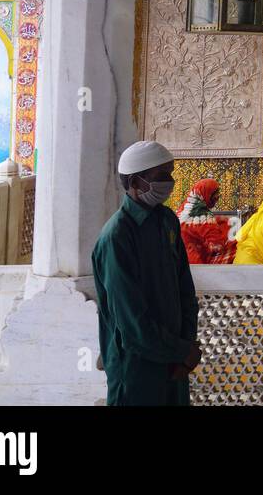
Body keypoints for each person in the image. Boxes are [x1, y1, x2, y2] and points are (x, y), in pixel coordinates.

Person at [92, 140, 201, 406]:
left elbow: (185, 290)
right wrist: (180, 351)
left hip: (174, 363)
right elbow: (131, 322)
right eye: (161, 176)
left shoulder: (167, 221)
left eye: (170, 174)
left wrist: (185, 346)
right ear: (135, 182)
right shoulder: (117, 237)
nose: (169, 182)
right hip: (136, 368)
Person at [177, 178, 237, 265]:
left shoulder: (183, 209)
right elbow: (217, 246)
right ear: (206, 193)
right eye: (215, 194)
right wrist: (227, 233)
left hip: (179, 258)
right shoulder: (204, 217)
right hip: (198, 261)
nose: (217, 198)